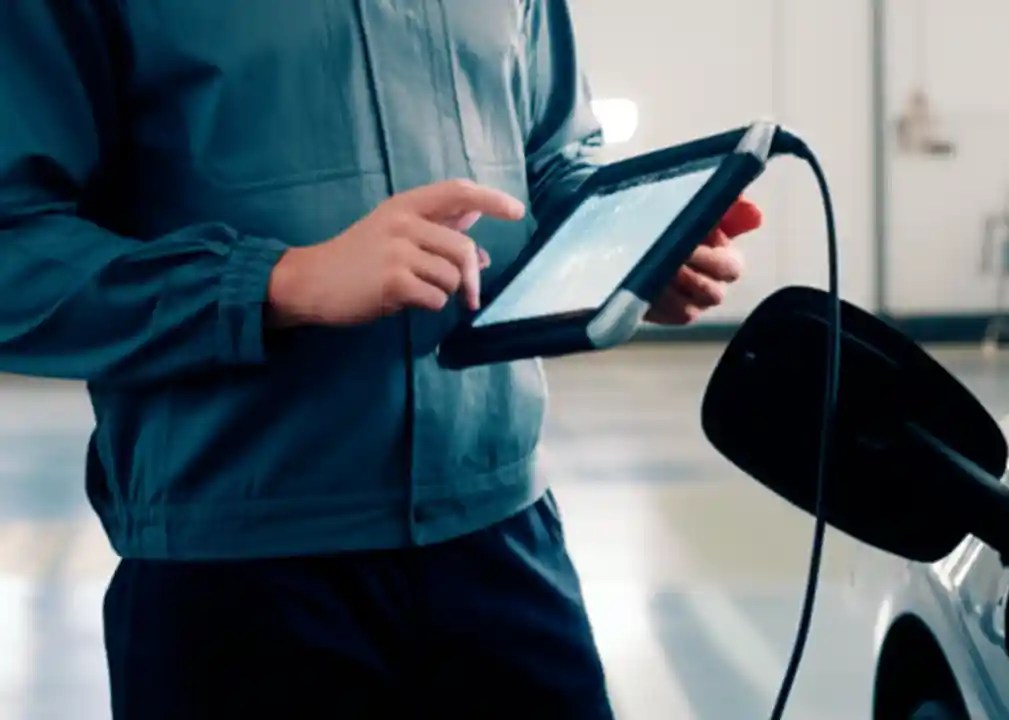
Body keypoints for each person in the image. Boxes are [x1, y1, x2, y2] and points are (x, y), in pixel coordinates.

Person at [0, 1, 762, 718]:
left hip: (501, 538)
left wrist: (630, 250)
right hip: (236, 568)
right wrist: (278, 282)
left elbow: (549, 160)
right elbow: (15, 248)